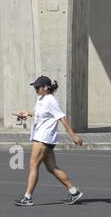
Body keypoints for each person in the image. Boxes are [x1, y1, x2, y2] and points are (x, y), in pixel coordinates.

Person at [14, 75, 84, 206]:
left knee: (33, 165)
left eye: (37, 87)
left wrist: (73, 136)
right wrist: (26, 114)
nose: (35, 89)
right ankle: (74, 192)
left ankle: (27, 197)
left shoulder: (51, 100)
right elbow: (38, 114)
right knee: (52, 168)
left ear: (46, 87)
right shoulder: (41, 98)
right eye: (35, 87)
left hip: (43, 138)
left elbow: (62, 118)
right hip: (42, 137)